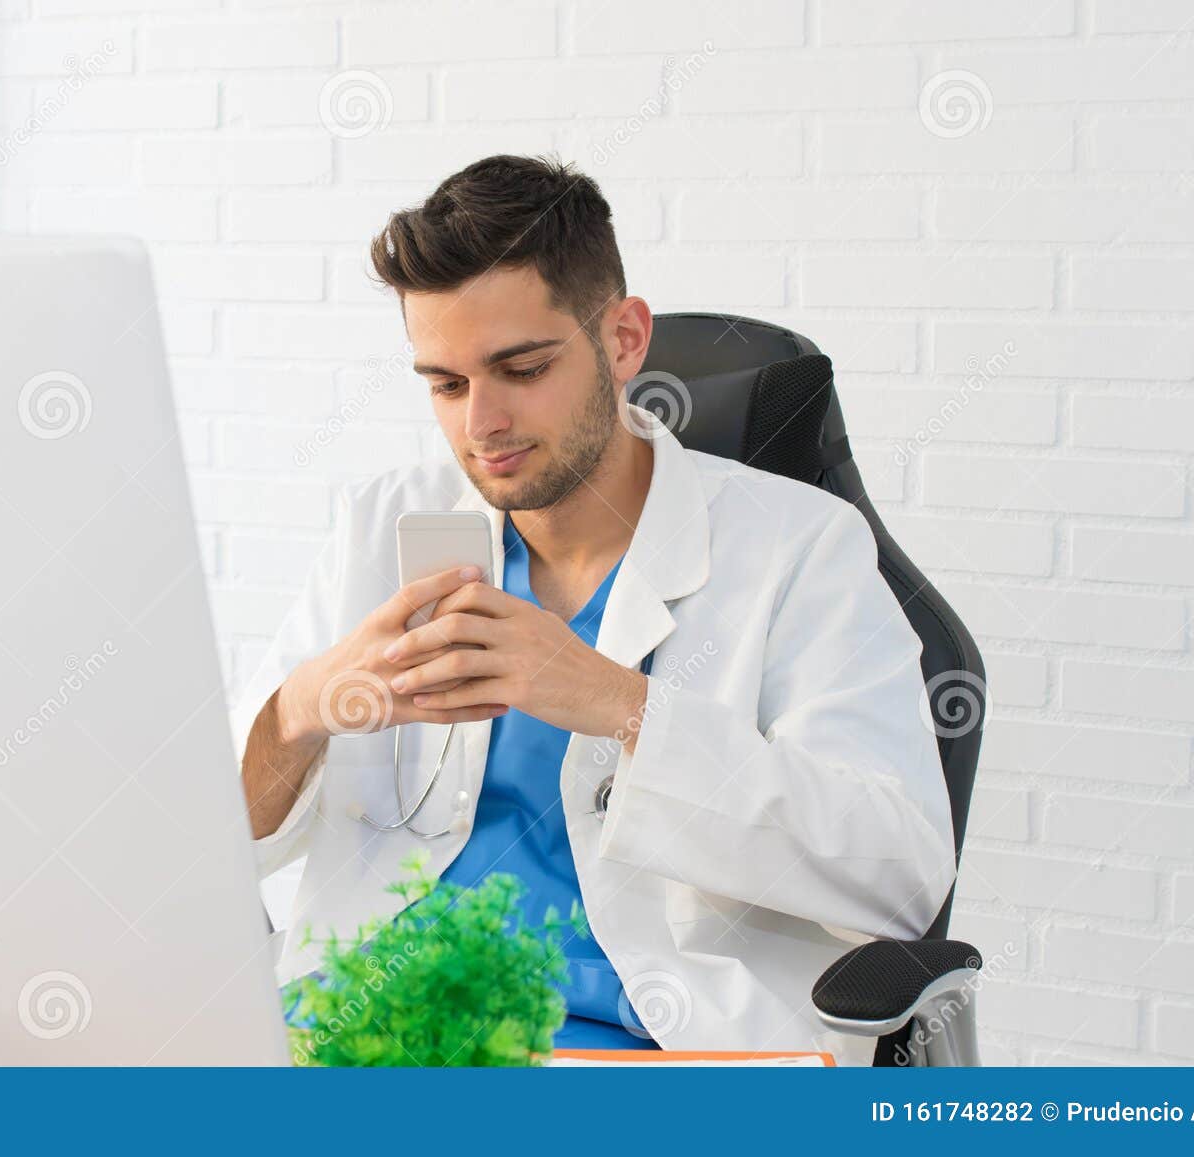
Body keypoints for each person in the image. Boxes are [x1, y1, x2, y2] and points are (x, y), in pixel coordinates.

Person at [232, 154, 955, 1064]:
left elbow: (899, 875)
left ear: (623, 339)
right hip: (360, 1035)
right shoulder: (380, 527)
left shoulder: (796, 548)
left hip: (619, 1053)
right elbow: (219, 844)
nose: (480, 424)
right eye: (446, 384)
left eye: (521, 368)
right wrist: (303, 708)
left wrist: (620, 703)